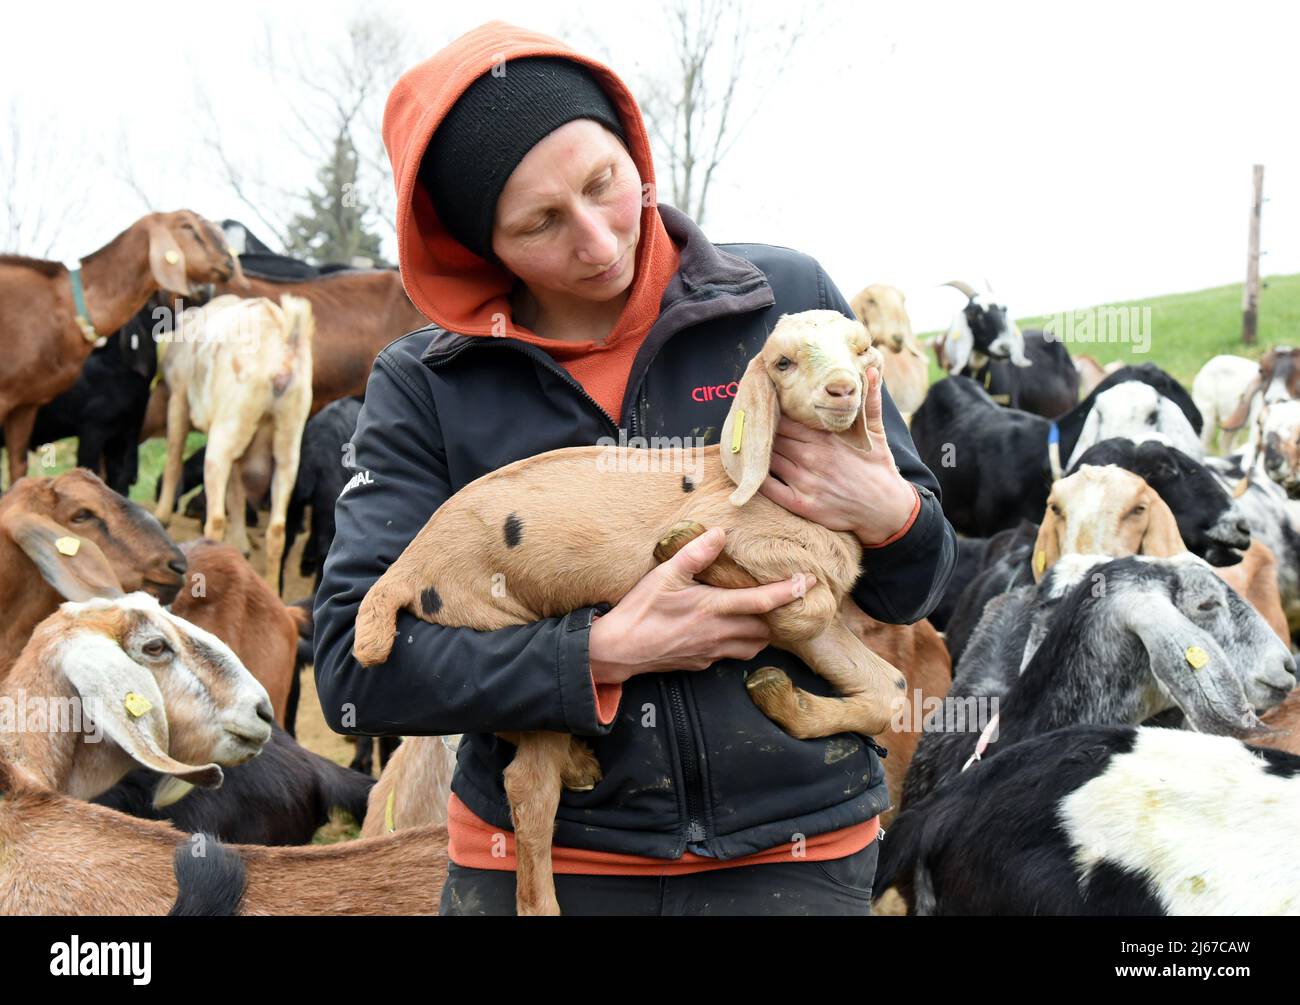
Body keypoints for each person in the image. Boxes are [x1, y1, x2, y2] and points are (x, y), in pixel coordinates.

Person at [314, 20, 957, 916]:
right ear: (481, 246)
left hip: (793, 859)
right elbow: (354, 670)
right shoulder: (427, 384)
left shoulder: (785, 302)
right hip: (544, 870)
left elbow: (915, 586)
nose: (598, 240)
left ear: (634, 151)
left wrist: (892, 512)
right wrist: (597, 655)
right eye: (540, 222)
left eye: (603, 183)